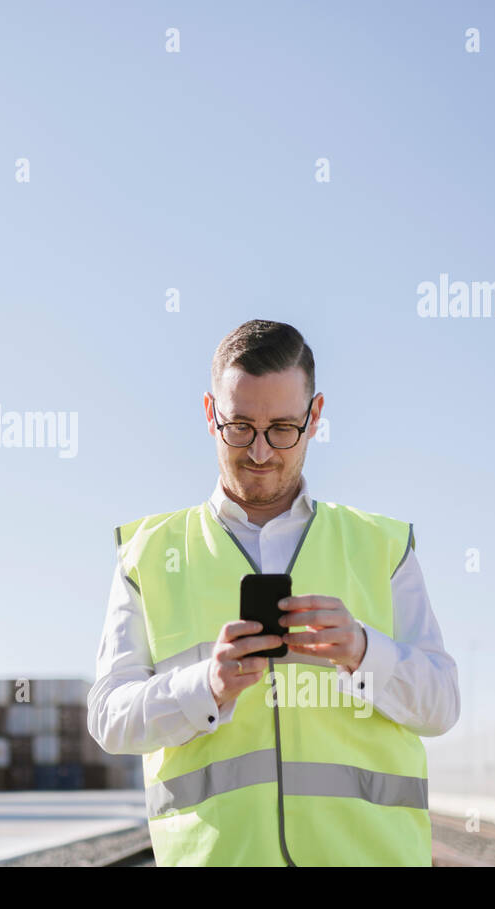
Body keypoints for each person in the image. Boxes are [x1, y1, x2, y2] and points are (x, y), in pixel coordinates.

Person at [88, 320, 459, 866]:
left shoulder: (381, 546)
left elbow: (441, 705)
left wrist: (363, 651)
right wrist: (205, 687)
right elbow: (109, 718)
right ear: (210, 413)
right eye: (240, 426)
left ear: (315, 417)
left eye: (282, 427)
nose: (260, 452)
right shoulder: (147, 554)